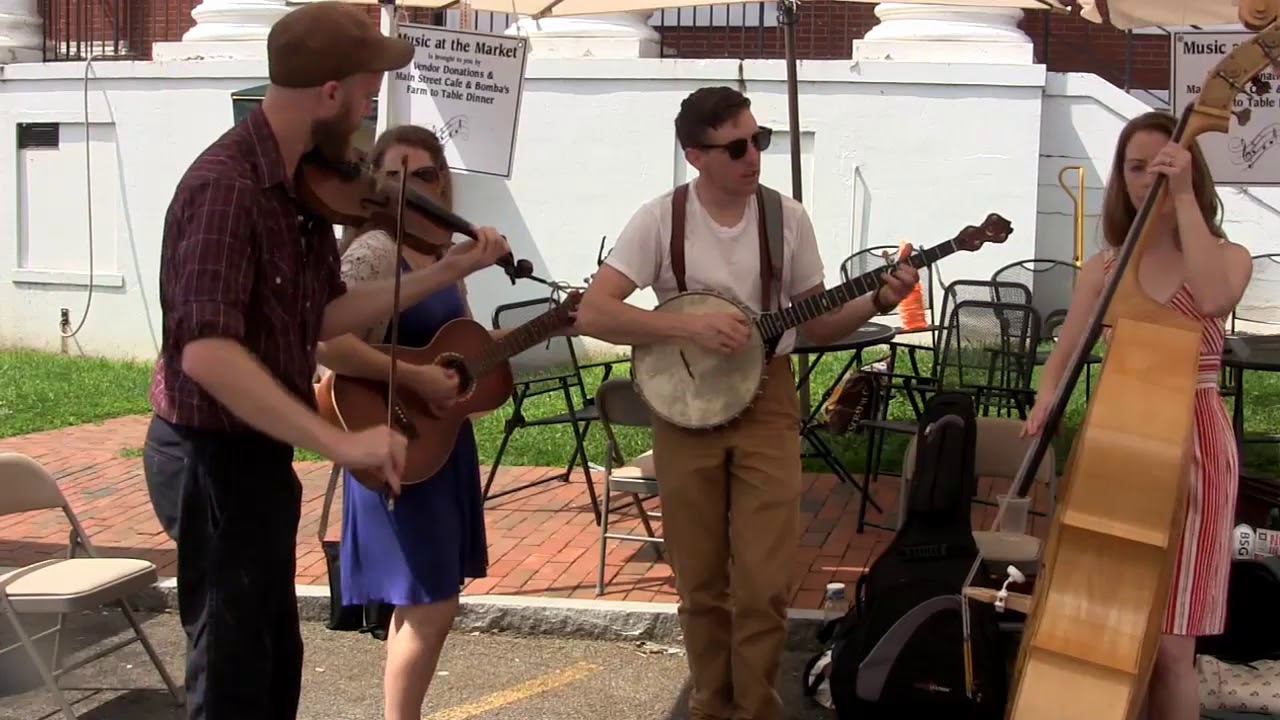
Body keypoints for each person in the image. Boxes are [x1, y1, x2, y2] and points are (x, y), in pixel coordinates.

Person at [141, 4, 511, 719]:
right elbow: (207, 352)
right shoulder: (227, 188)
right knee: (232, 672)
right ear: (331, 93)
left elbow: (320, 314)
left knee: (275, 663)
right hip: (208, 453)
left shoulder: (301, 189)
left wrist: (447, 269)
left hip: (257, 450)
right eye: (369, 93)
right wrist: (339, 442)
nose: (371, 111)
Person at [576, 86, 918, 720]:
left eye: (758, 140)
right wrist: (686, 327)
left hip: (768, 399)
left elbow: (817, 323)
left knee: (765, 582)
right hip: (684, 409)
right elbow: (594, 311)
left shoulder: (786, 219)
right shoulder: (660, 219)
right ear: (695, 155)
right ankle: (710, 705)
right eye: (736, 147)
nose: (753, 155)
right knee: (700, 582)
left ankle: (757, 708)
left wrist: (877, 299)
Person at [316, 124, 568, 720]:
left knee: (421, 603)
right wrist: (413, 378)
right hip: (392, 439)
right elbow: (326, 342)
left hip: (437, 446)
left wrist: (550, 324)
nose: (409, 189)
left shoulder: (438, 259)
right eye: (393, 177)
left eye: (423, 175)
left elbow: (461, 350)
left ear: (443, 184)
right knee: (431, 606)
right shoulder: (374, 252)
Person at [1021, 110, 1253, 720]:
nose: (1148, 177)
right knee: (1112, 632)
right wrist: (1046, 399)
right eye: (1134, 167)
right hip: (1117, 447)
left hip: (1198, 445)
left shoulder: (1228, 256)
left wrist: (1184, 197)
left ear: (1190, 171)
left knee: (1174, 648)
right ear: (1120, 180)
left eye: (1163, 165)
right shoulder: (1103, 268)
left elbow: (1212, 298)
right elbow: (1062, 356)